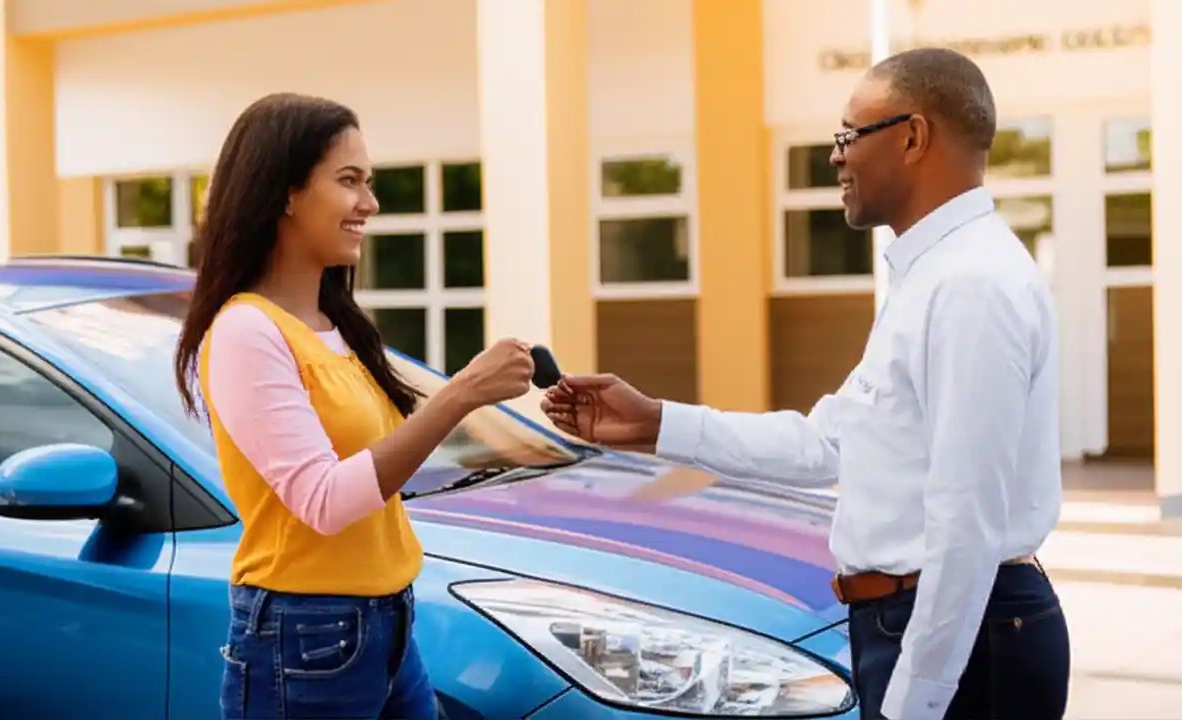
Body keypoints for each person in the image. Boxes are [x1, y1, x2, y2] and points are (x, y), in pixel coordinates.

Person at [542, 48, 1069, 720]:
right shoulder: (932, 276)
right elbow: (827, 443)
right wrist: (653, 423)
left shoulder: (971, 285)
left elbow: (966, 521)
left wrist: (918, 700)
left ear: (913, 136)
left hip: (964, 644)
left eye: (849, 135)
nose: (835, 158)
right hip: (928, 627)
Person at [174, 92, 534, 720]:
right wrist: (462, 393)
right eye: (349, 181)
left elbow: (385, 460)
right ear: (286, 193)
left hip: (386, 621)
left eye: (368, 182)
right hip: (306, 635)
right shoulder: (245, 332)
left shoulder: (333, 325)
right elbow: (325, 501)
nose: (369, 203)